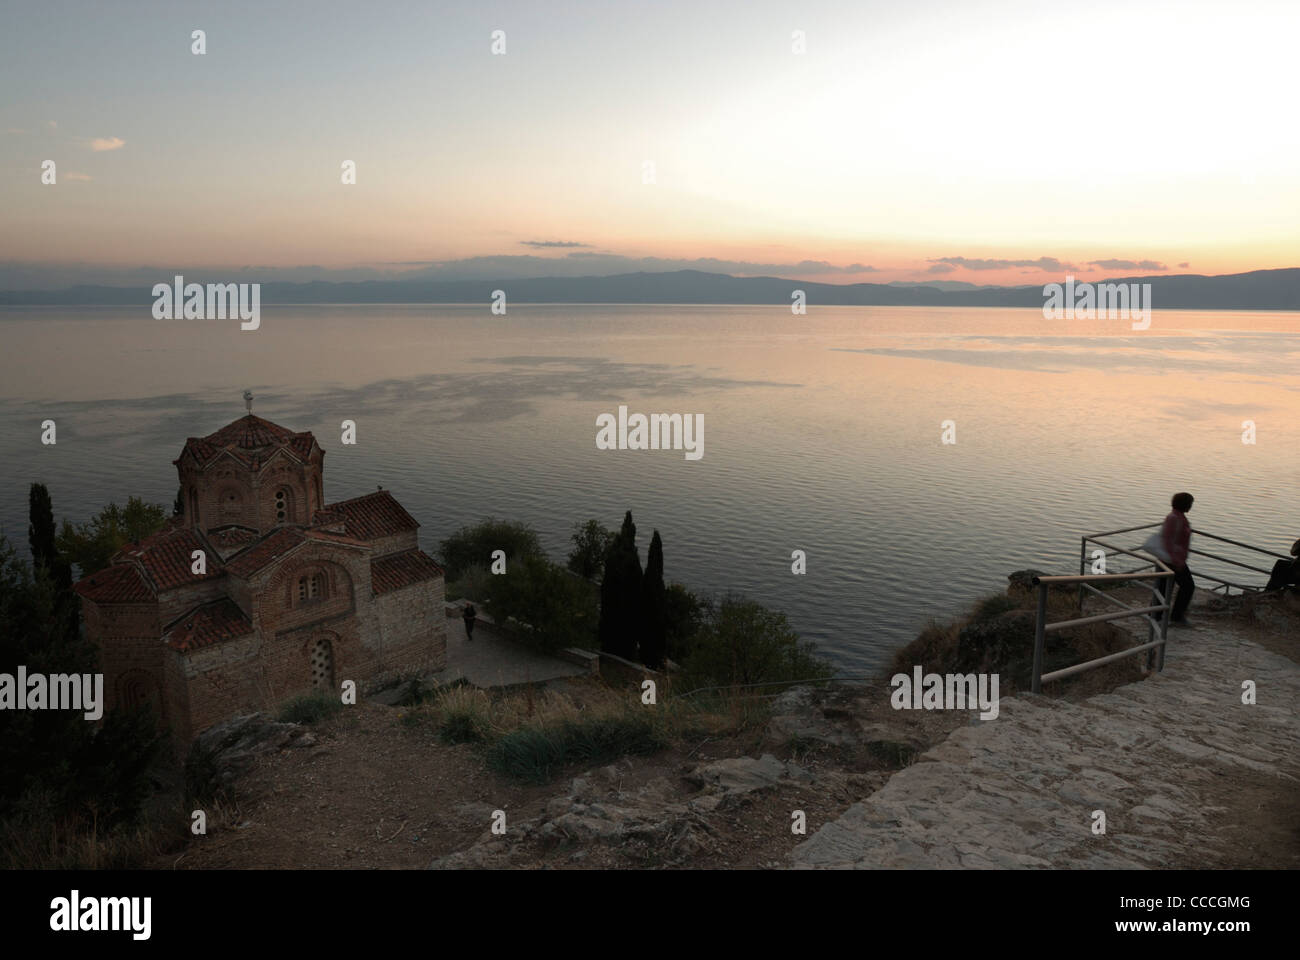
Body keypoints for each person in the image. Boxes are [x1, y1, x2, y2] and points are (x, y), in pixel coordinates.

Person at [1159, 492, 1196, 626]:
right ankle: (1176, 616)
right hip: (1173, 560)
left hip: (1172, 558)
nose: (1191, 506)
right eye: (1190, 503)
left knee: (1164, 586)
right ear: (1185, 504)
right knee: (1188, 586)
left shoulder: (1177, 516)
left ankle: (1157, 614)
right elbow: (1168, 540)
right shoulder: (1174, 518)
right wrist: (1177, 560)